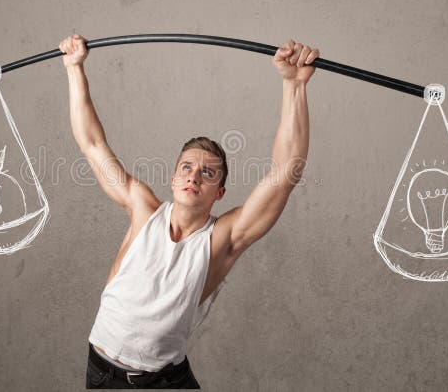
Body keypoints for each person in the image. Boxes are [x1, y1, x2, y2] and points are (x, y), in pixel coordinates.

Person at [59, 33, 319, 389]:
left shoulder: (223, 241)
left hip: (165, 380)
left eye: (207, 173)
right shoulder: (142, 209)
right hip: (105, 374)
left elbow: (285, 172)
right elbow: (91, 143)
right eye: (186, 167)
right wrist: (74, 68)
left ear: (220, 192)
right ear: (172, 177)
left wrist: (293, 86)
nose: (194, 176)